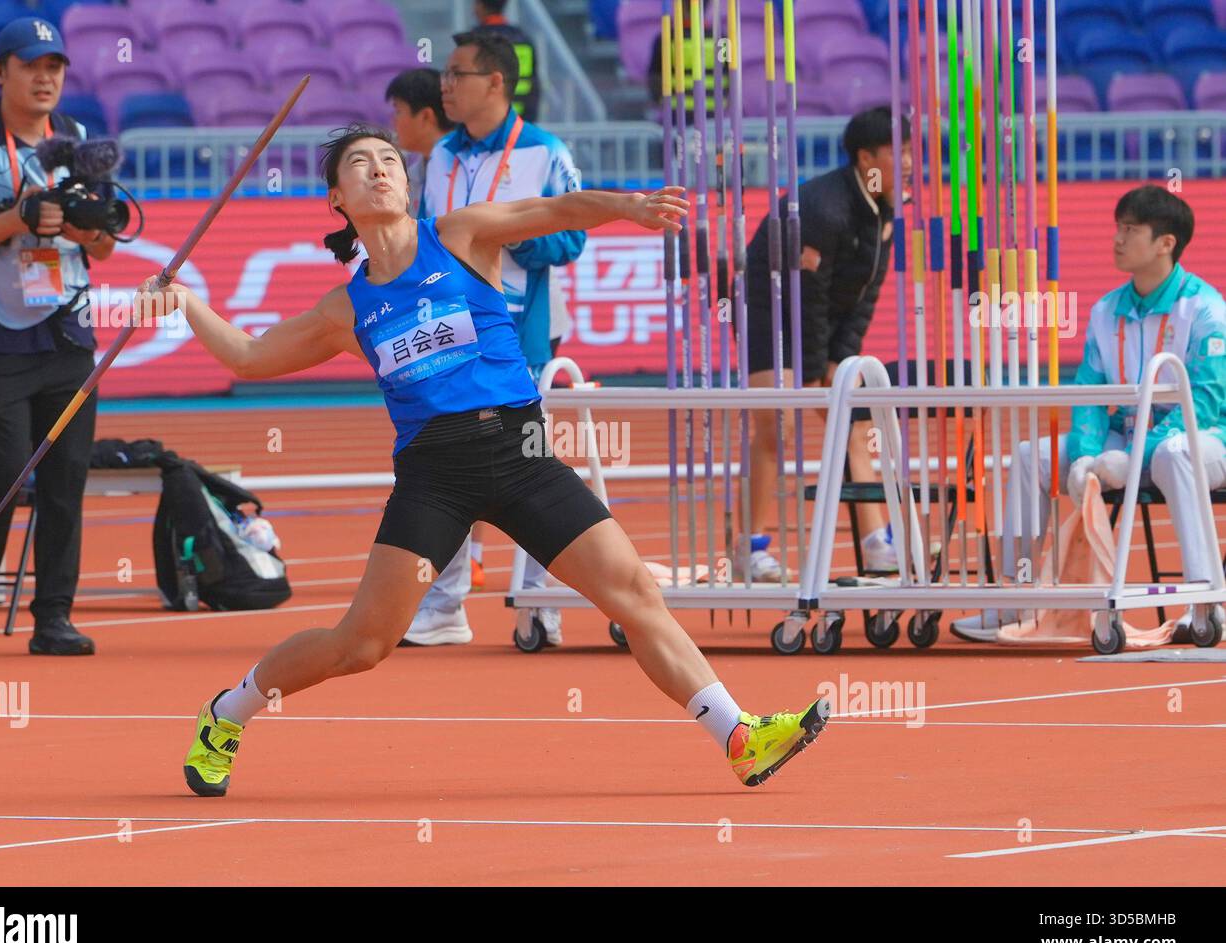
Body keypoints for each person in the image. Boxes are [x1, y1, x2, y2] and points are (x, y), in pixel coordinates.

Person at [129, 124, 830, 796]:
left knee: (635, 595)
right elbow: (249, 356)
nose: (379, 170)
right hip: (435, 474)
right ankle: (227, 712)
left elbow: (552, 207)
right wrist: (186, 300)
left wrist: (630, 207)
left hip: (523, 452)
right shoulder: (349, 309)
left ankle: (737, 734)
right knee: (362, 644)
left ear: (408, 183)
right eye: (360, 164)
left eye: (390, 161)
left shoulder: (461, 235)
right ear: (337, 199)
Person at [952, 186, 1226, 643]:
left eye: (1131, 230)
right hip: (1123, 440)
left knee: (1175, 454)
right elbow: (1091, 395)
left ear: (1166, 243)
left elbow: (1206, 403)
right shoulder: (1105, 311)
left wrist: (1136, 456)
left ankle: (1205, 604)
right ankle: (1009, 602)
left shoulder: (1207, 311)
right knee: (1029, 455)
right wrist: (1085, 455)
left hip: (1204, 439)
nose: (1117, 239)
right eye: (1117, 228)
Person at [0, 17, 115, 655]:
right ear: (0, 71)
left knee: (66, 476)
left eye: (54, 67)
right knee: (6, 466)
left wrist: (83, 229)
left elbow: (109, 246)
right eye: (31, 65)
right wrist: (16, 217)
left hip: (68, 333)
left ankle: (54, 617)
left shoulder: (81, 140)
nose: (45, 77)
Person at [406, 29, 585, 646]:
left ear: (496, 83)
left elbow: (574, 235)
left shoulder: (544, 151)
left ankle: (540, 601)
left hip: (519, 335)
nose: (444, 85)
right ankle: (442, 606)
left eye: (457, 74)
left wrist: (509, 237)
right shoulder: (441, 156)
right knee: (441, 463)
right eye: (445, 75)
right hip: (445, 338)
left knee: (530, 467)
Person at [742, 107, 912, 581]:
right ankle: (750, 547)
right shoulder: (823, 209)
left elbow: (865, 294)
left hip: (823, 324)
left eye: (911, 152)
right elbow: (807, 298)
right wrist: (819, 366)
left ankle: (876, 541)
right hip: (771, 313)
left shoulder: (885, 207)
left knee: (853, 416)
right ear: (865, 158)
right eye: (898, 153)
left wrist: (841, 359)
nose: (909, 162)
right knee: (778, 424)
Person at [385, 68, 454, 215]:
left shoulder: (472, 169)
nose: (393, 121)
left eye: (398, 111)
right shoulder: (410, 177)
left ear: (425, 116)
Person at [473, 0, 541, 121]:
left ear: (480, 6)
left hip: (487, 124)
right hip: (521, 122)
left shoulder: (474, 40)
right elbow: (533, 84)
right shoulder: (523, 38)